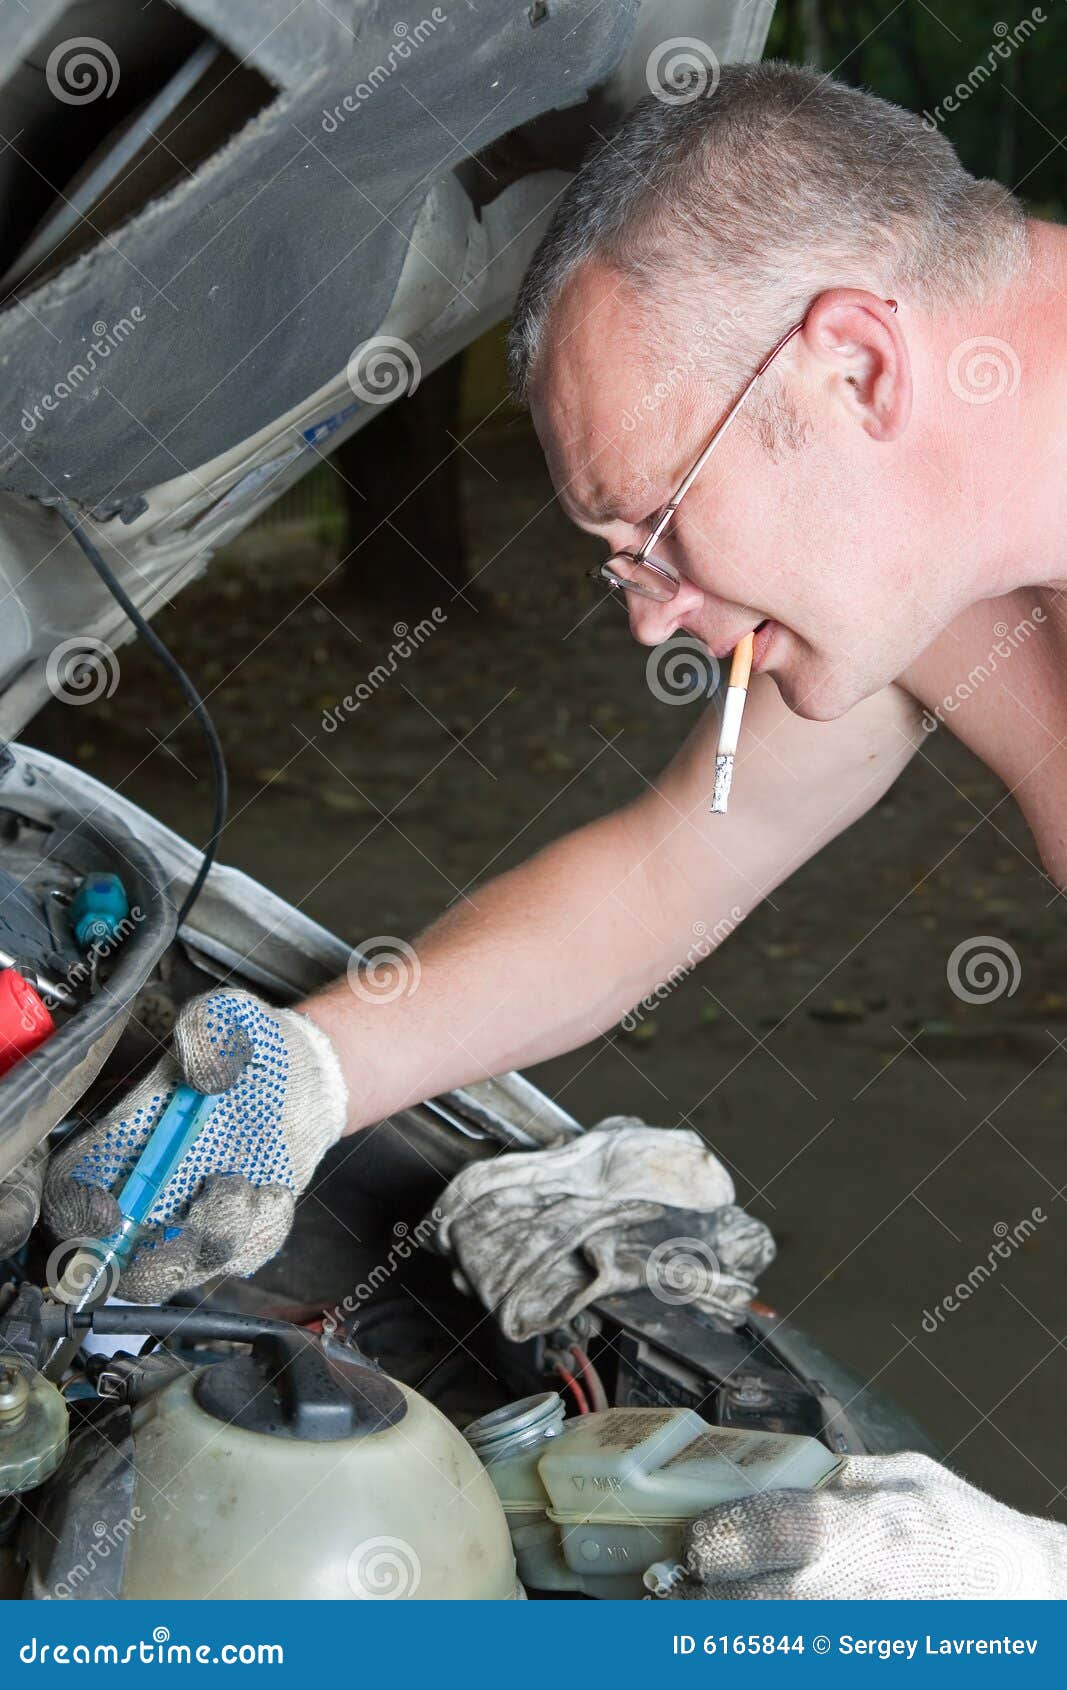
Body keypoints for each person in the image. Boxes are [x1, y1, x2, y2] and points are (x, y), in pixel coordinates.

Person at [38, 63, 1067, 1597]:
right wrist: (318, 1074)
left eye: (658, 527)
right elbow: (676, 864)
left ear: (853, 367)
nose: (652, 613)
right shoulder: (927, 555)